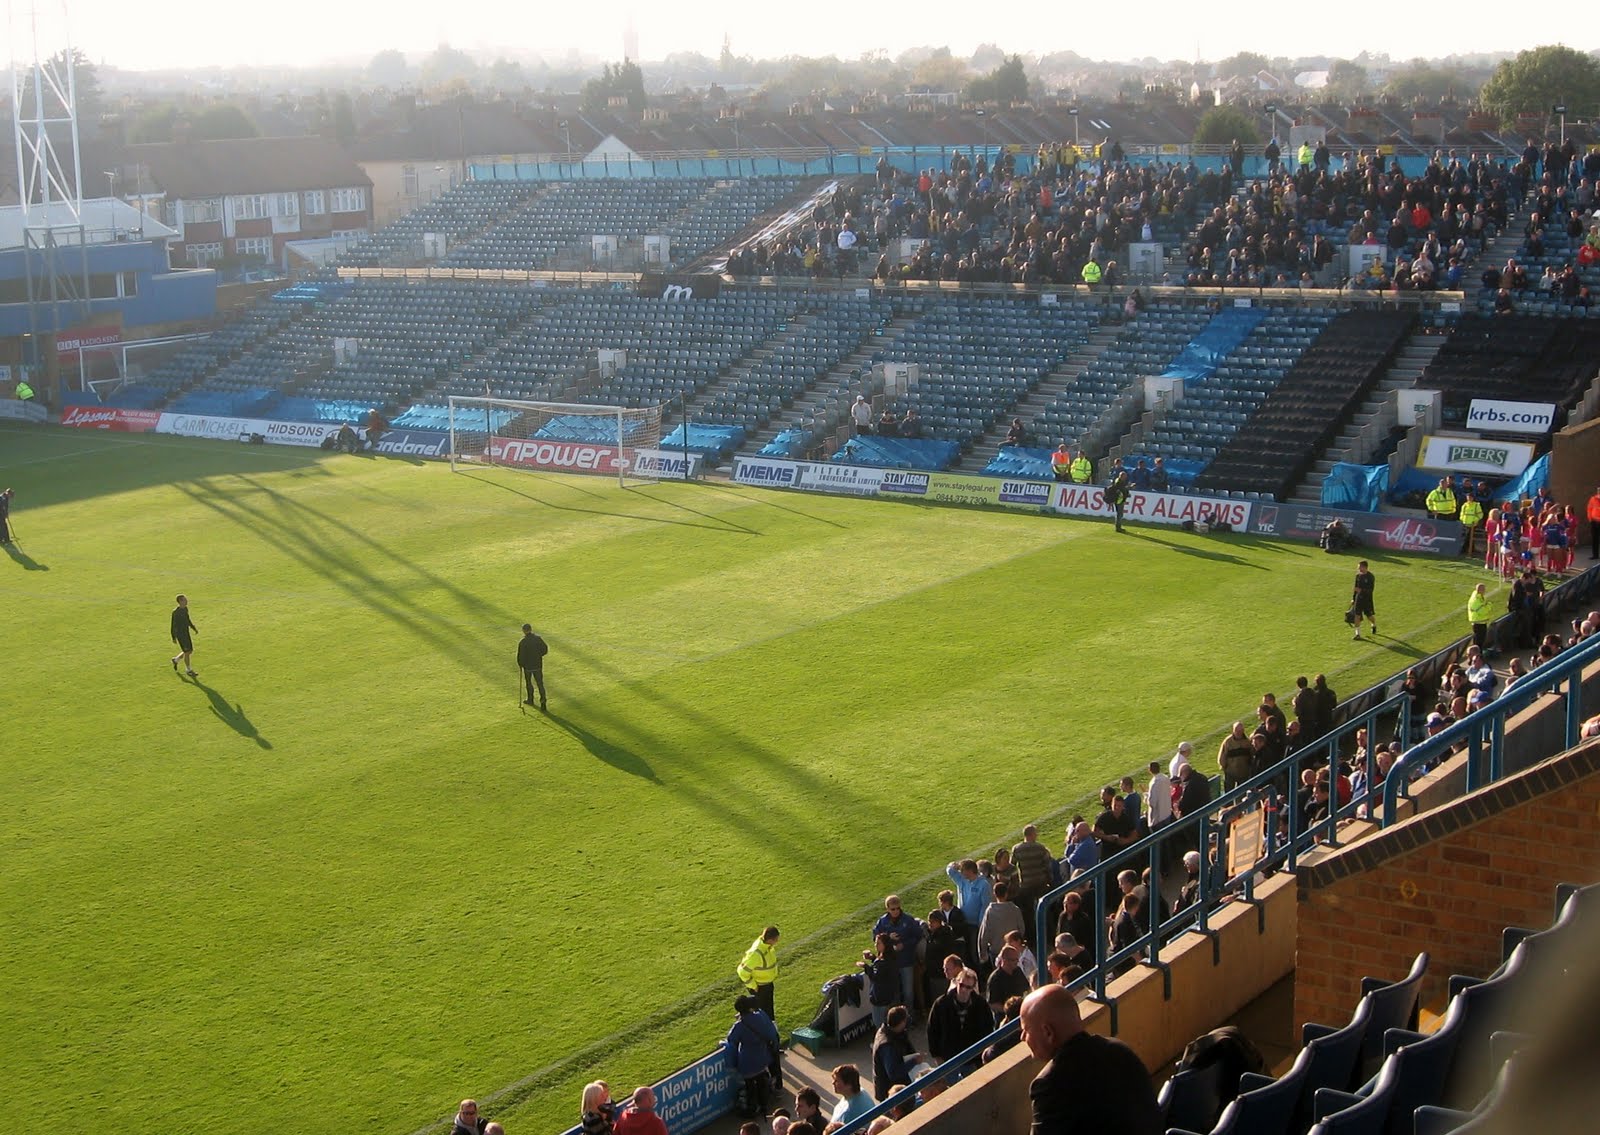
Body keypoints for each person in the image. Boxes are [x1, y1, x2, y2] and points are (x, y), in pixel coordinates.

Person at [1020, 985, 1161, 1135]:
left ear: (1048, 1032)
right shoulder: (1120, 1051)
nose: (1022, 1038)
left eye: (1026, 1030)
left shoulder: (1050, 1083)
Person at [725, 996, 781, 1118]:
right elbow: (770, 1031)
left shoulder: (739, 1025)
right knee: (762, 1082)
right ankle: (764, 1106)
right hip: (762, 1057)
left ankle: (752, 1110)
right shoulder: (760, 1016)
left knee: (750, 1088)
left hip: (747, 1062)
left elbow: (731, 1040)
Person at [926, 965, 995, 1063]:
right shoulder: (941, 1004)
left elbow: (988, 1028)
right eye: (961, 985)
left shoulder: (981, 1004)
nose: (964, 990)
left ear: (972, 988)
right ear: (957, 983)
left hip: (973, 1058)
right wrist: (936, 1055)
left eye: (968, 987)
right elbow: (932, 1030)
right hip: (948, 1059)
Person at [871, 895, 923, 1015]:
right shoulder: (882, 922)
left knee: (908, 992)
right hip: (890, 963)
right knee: (894, 993)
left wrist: (904, 945)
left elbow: (918, 935)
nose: (896, 911)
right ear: (887, 909)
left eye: (898, 908)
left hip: (906, 961)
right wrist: (888, 937)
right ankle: (896, 1019)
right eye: (893, 909)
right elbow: (876, 937)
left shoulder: (908, 920)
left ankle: (909, 1017)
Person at [871, 1005, 922, 1101]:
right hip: (890, 1094)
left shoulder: (889, 1031)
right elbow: (893, 1073)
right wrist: (914, 1061)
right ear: (901, 1023)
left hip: (897, 1088)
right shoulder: (887, 1046)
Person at [736, 925, 780, 1024]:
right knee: (762, 1011)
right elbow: (742, 971)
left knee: (767, 1008)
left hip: (767, 984)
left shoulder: (767, 947)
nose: (777, 942)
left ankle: (770, 1025)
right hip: (760, 987)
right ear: (771, 939)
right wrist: (753, 986)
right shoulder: (756, 953)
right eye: (776, 939)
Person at [518, 623, 549, 711]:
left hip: (528, 667)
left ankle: (530, 699)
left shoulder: (523, 642)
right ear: (531, 629)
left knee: (529, 683)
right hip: (538, 665)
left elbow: (520, 656)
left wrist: (521, 664)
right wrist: (539, 656)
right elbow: (545, 649)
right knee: (540, 683)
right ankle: (543, 702)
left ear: (524, 631)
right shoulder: (537, 639)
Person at [170, 594, 199, 677]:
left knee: (189, 651)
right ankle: (188, 670)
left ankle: (176, 659)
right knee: (187, 652)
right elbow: (173, 625)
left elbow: (187, 620)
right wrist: (174, 637)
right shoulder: (176, 612)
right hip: (181, 635)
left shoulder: (185, 609)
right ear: (180, 601)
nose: (186, 601)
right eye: (184, 600)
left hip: (186, 633)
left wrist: (193, 628)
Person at [1350, 560, 1377, 639]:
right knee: (1357, 615)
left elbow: (1371, 590)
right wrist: (1353, 598)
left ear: (1365, 567)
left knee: (1369, 616)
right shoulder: (1358, 576)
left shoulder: (1370, 577)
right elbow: (1356, 588)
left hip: (1367, 599)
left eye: (1360, 567)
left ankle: (1373, 625)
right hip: (1359, 599)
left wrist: (1361, 591)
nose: (1359, 569)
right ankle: (1357, 634)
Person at [1468, 583, 1494, 651]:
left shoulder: (1481, 597)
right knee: (1478, 643)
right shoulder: (1475, 600)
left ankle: (1479, 656)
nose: (1485, 591)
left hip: (1482, 622)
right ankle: (1477, 657)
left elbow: (1485, 607)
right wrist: (1489, 605)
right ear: (1480, 590)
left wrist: (1487, 606)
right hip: (1478, 623)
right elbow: (1483, 611)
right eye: (1484, 589)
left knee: (1481, 642)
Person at [1106, 466, 1131, 533]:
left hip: (1119, 499)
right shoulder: (1119, 482)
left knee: (1119, 513)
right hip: (1119, 499)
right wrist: (1128, 488)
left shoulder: (1118, 481)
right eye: (1124, 476)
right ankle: (1118, 527)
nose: (1125, 477)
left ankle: (1118, 526)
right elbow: (1122, 490)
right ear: (1122, 476)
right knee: (1119, 513)